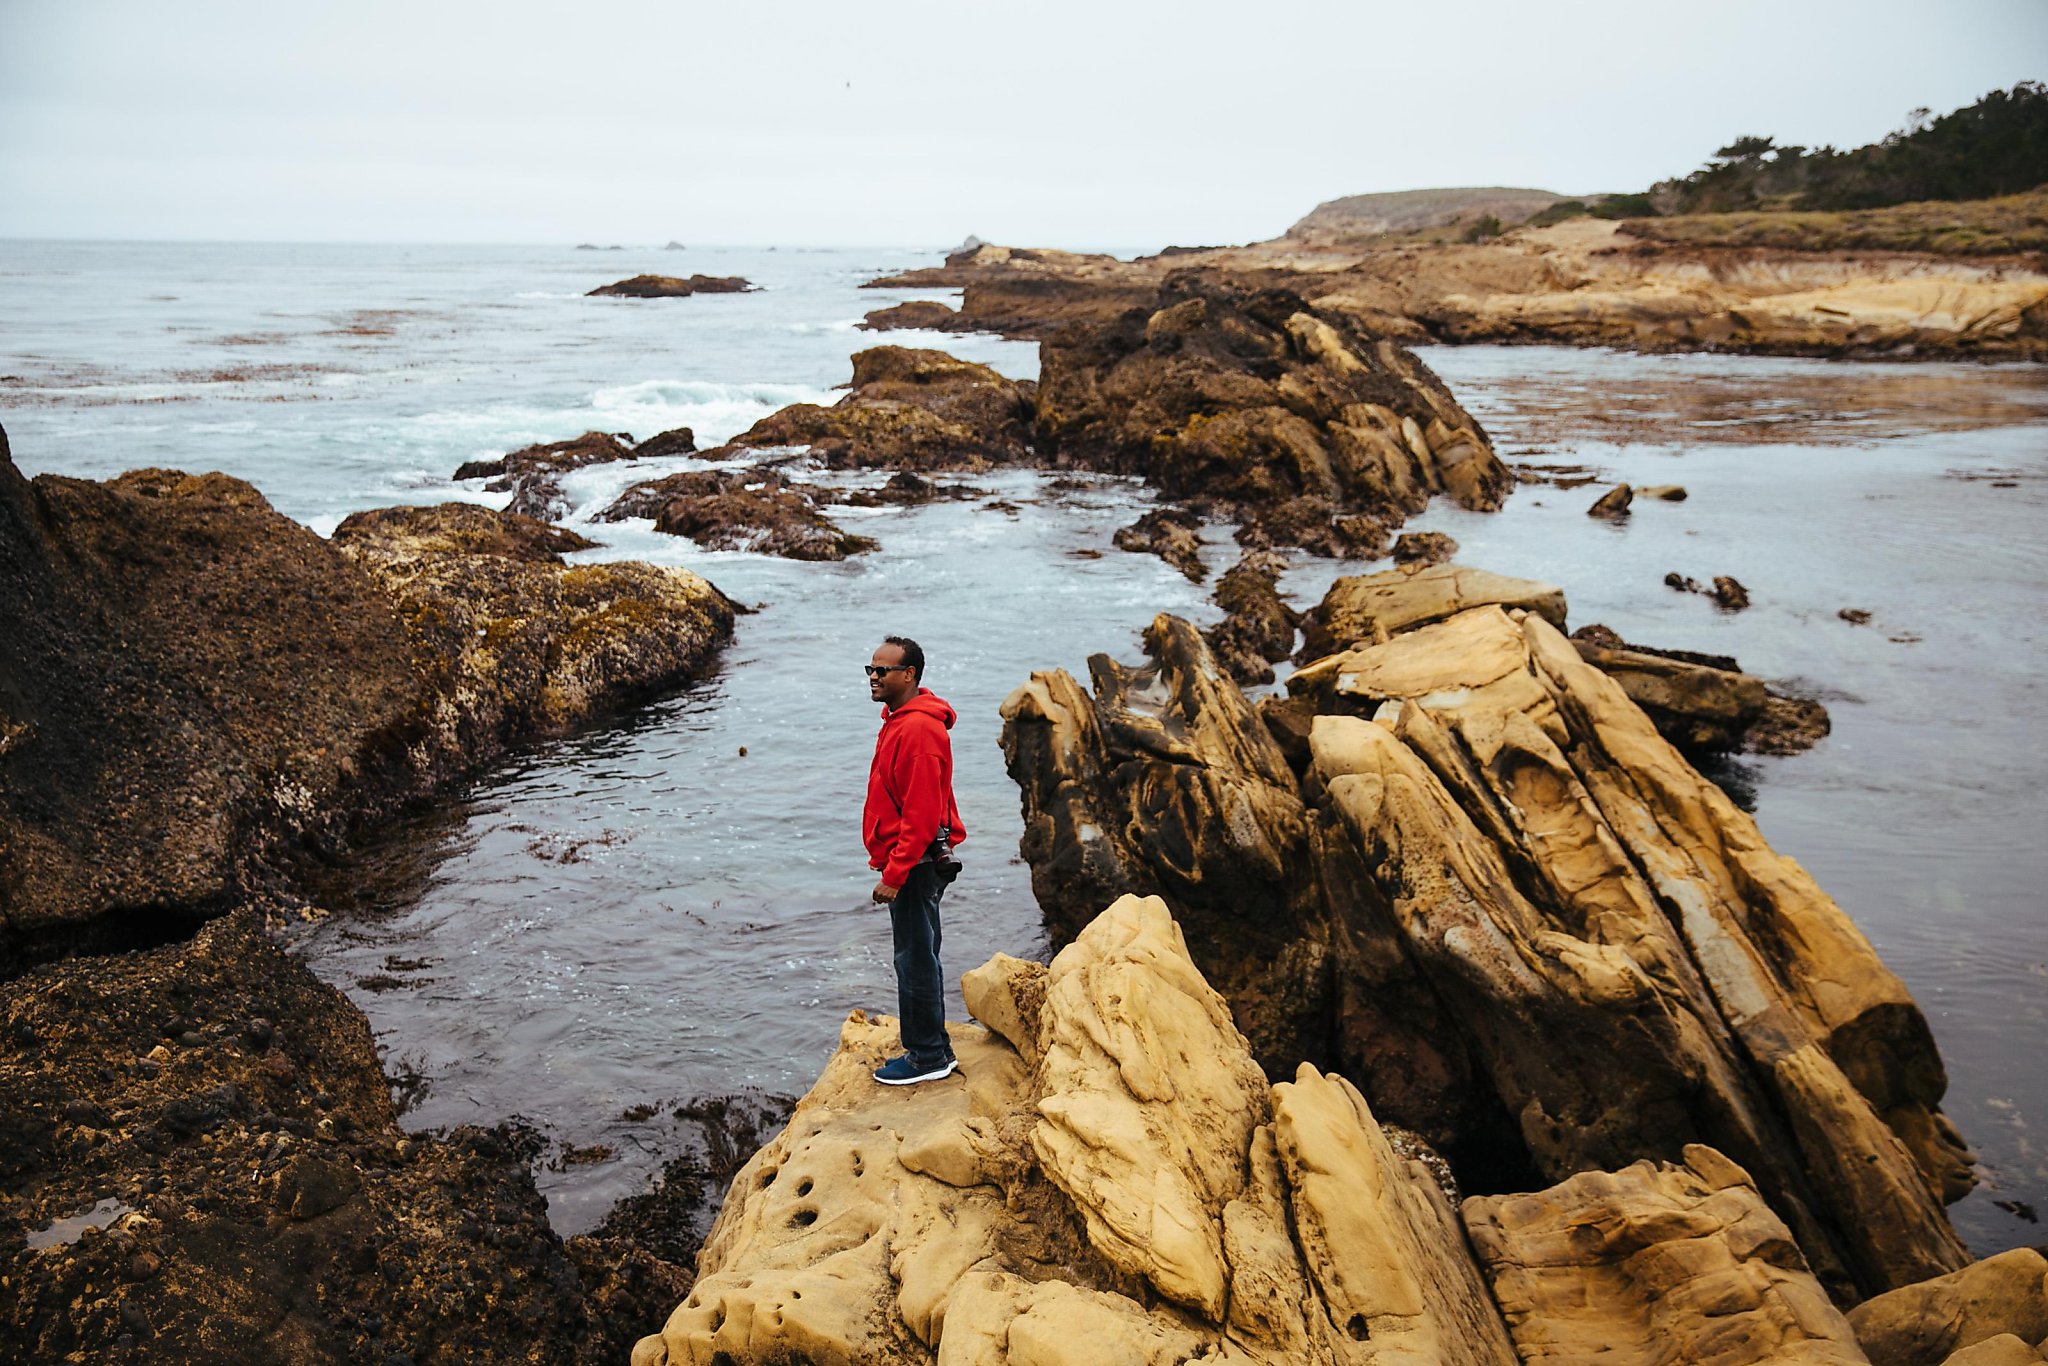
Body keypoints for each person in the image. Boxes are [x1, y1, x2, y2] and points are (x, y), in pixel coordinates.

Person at [862, 635, 966, 1085]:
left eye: (882, 670)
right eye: (869, 669)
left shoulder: (919, 729)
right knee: (921, 953)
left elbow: (922, 815)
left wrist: (895, 873)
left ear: (909, 675)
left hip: (916, 863)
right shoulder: (899, 720)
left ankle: (927, 1057)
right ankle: (935, 1045)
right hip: (915, 860)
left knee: (915, 959)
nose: (873, 677)